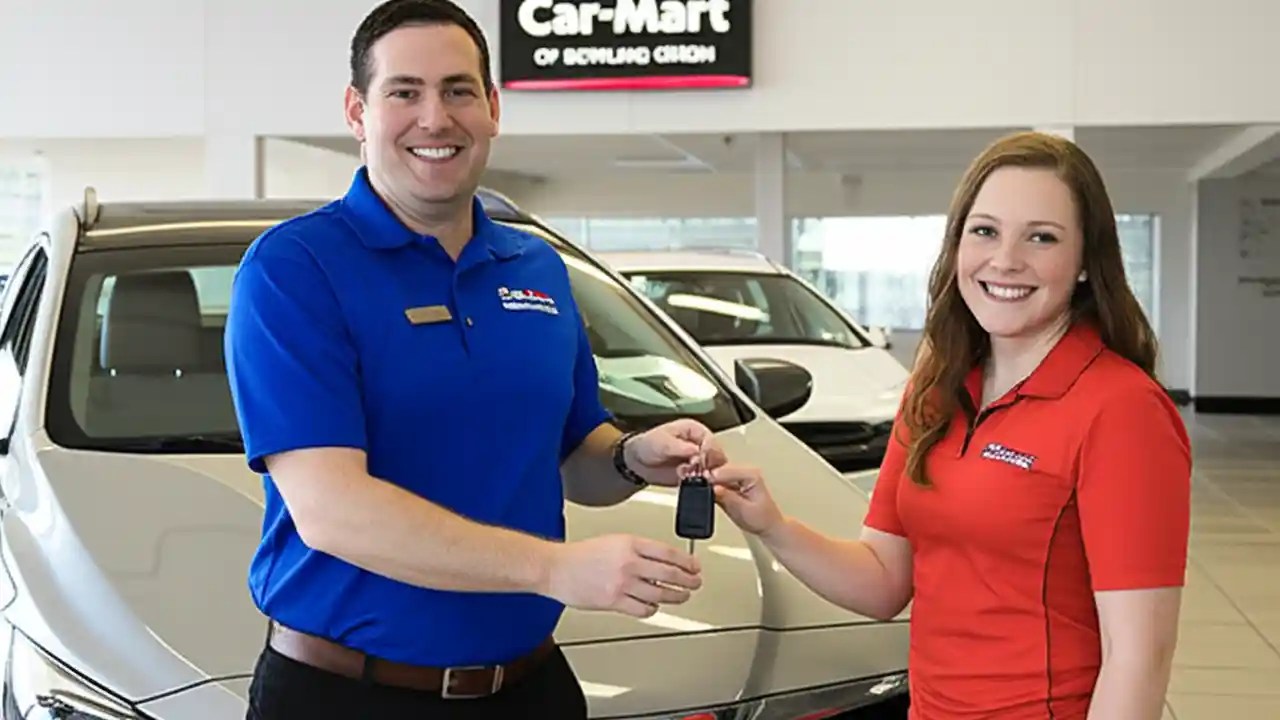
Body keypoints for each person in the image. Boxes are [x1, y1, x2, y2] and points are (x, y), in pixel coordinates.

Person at [223, 1, 724, 718]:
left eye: (458, 90)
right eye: (405, 92)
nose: (435, 118)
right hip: (349, 695)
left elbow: (576, 453)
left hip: (529, 689)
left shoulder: (537, 266)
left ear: (492, 108)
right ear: (357, 112)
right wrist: (557, 568)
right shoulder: (295, 269)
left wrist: (634, 457)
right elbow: (334, 511)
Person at [706, 131, 1191, 720]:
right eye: (984, 231)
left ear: (1088, 262)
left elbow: (1139, 654)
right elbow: (883, 581)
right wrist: (774, 525)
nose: (1005, 260)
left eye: (1041, 237)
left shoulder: (1121, 409)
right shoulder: (936, 386)